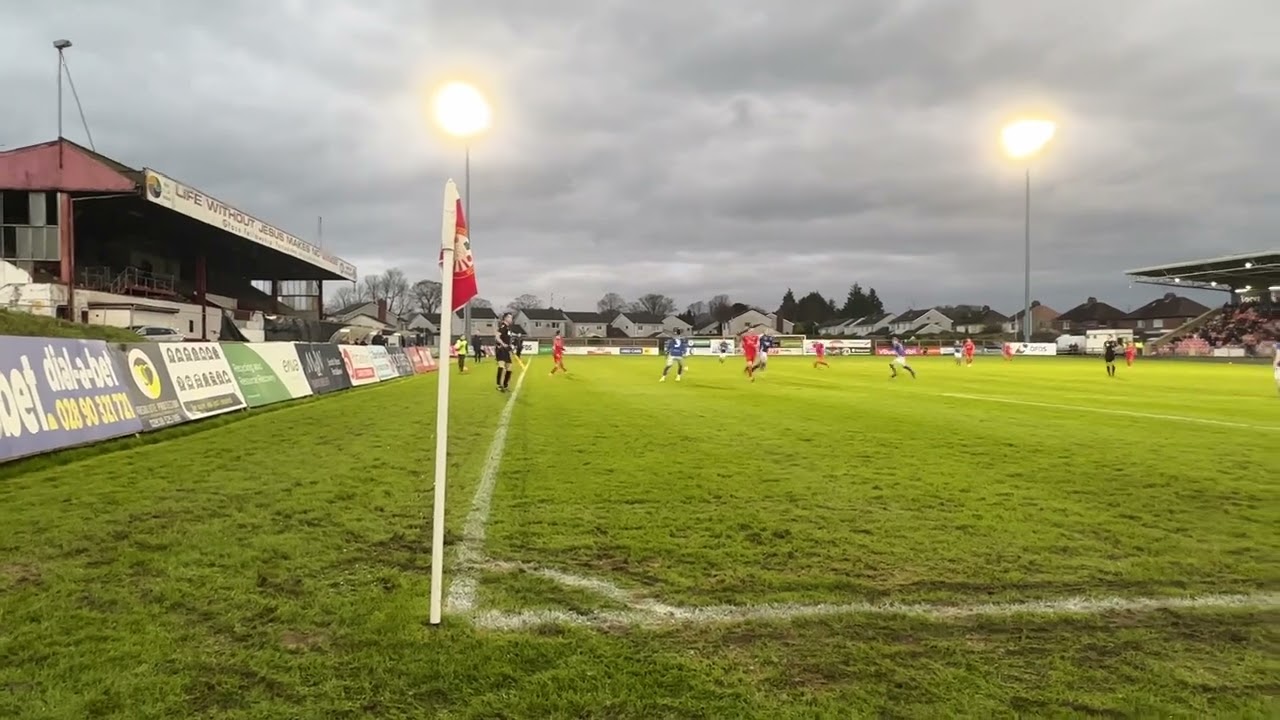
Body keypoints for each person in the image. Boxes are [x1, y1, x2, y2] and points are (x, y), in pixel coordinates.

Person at [494, 313, 515, 392]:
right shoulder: (503, 326)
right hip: (501, 349)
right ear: (505, 318)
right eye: (510, 317)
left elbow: (507, 339)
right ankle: (499, 385)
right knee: (501, 366)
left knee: (509, 368)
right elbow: (497, 337)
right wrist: (503, 344)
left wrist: (510, 347)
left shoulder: (508, 328)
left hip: (506, 350)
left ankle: (505, 385)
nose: (511, 319)